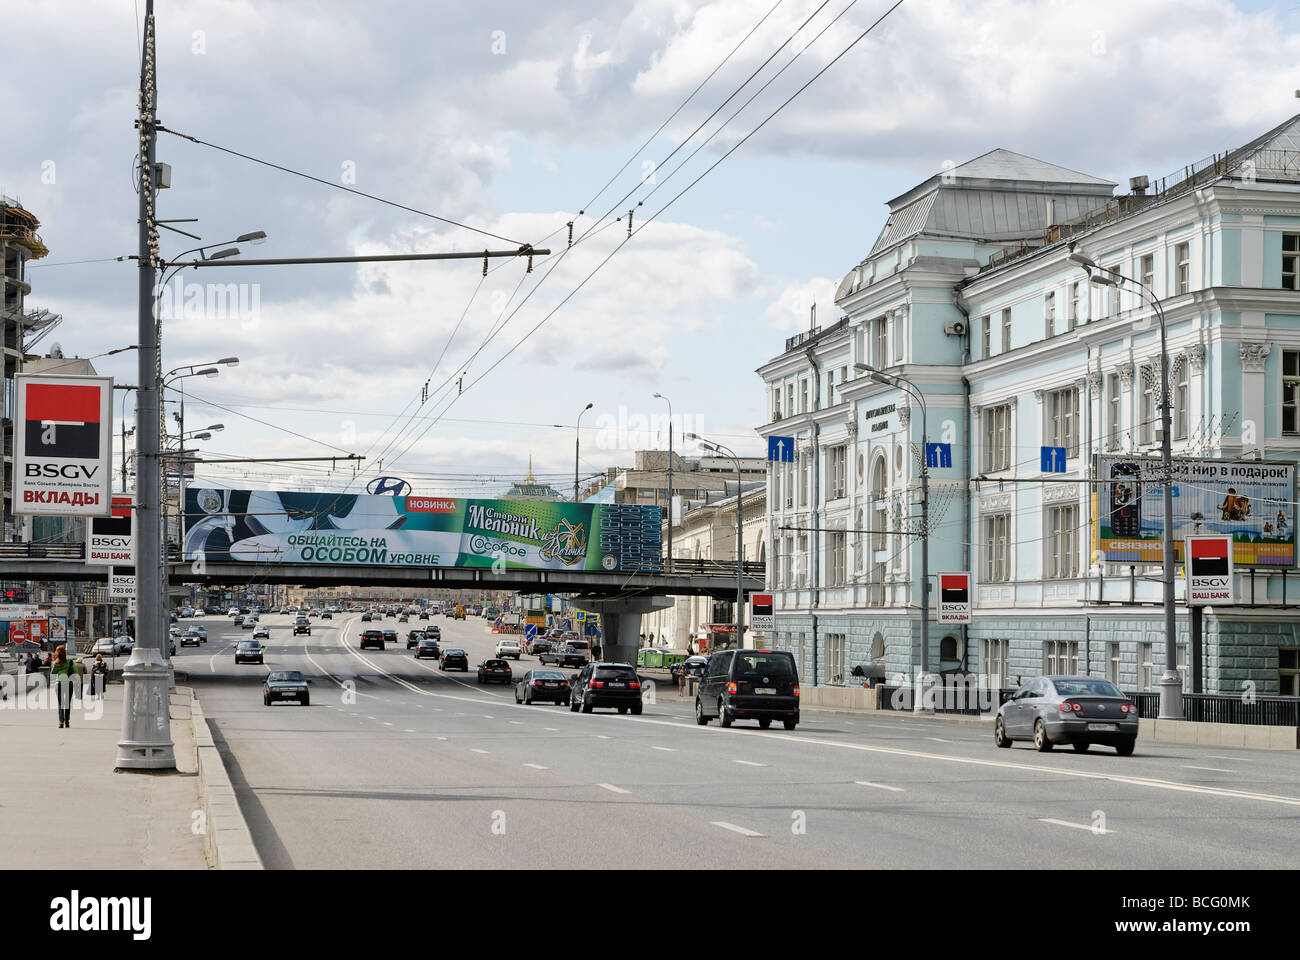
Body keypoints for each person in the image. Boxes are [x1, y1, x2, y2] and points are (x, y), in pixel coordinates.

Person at [50, 645, 76, 728]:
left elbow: (53, 673)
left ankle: (61, 722)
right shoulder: (70, 662)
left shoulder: (57, 662)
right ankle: (67, 722)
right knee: (67, 703)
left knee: (60, 703)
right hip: (69, 683)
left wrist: (57, 664)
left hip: (59, 683)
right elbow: (75, 673)